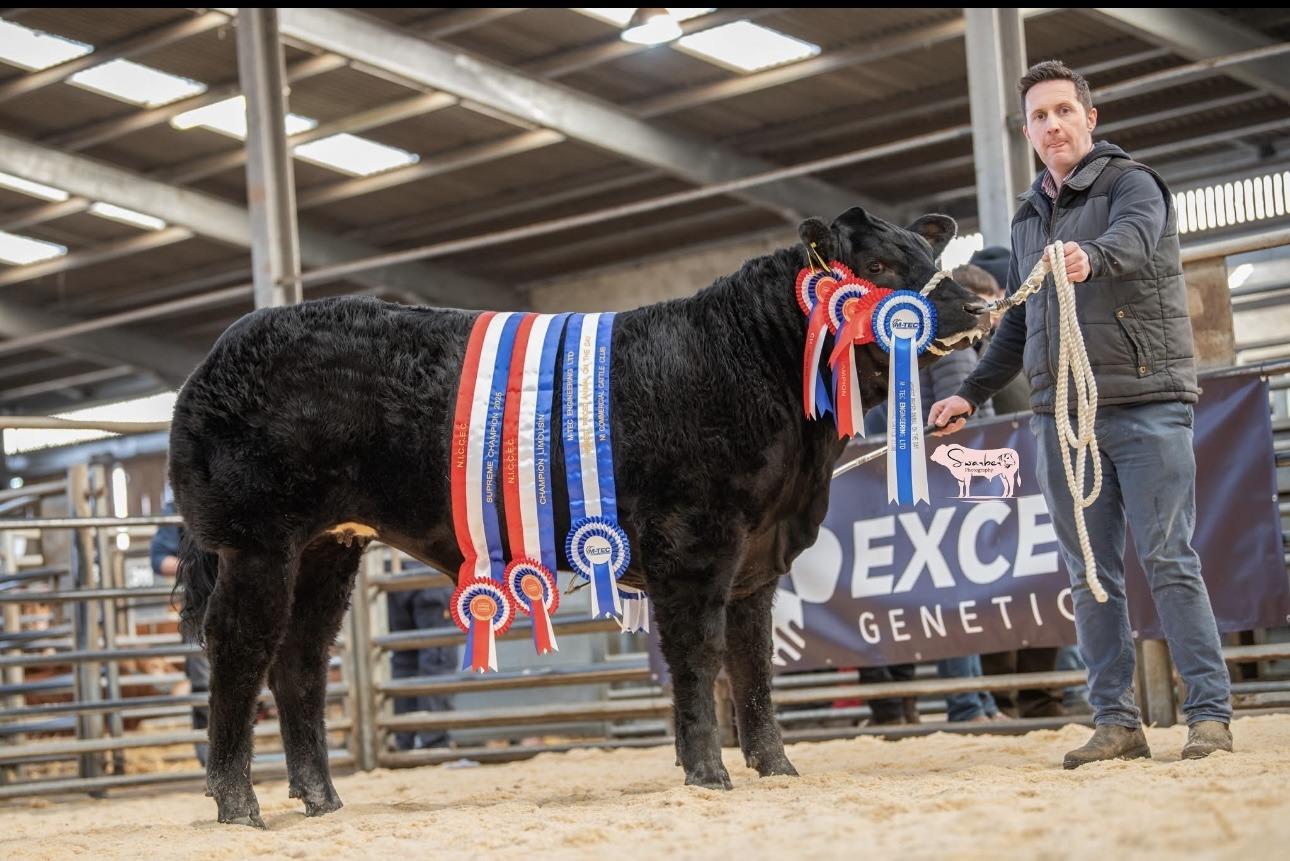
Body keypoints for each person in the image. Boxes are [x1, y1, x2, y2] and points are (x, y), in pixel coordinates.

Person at [929, 60, 1232, 767]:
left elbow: (1134, 242)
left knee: (1167, 555)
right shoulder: (1029, 214)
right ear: (1029, 131)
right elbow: (1018, 320)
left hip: (1145, 399)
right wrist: (968, 392)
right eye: (1040, 116)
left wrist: (1089, 258)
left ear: (1089, 118)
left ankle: (1209, 713)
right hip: (1060, 416)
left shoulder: (1134, 183)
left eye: (1064, 110)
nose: (1053, 125)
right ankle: (1116, 719)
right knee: (1087, 569)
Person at [150, 490, 209, 767]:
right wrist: (198, 568)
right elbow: (159, 559)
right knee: (203, 681)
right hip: (199, 604)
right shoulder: (177, 506)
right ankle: (211, 760)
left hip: (244, 601)